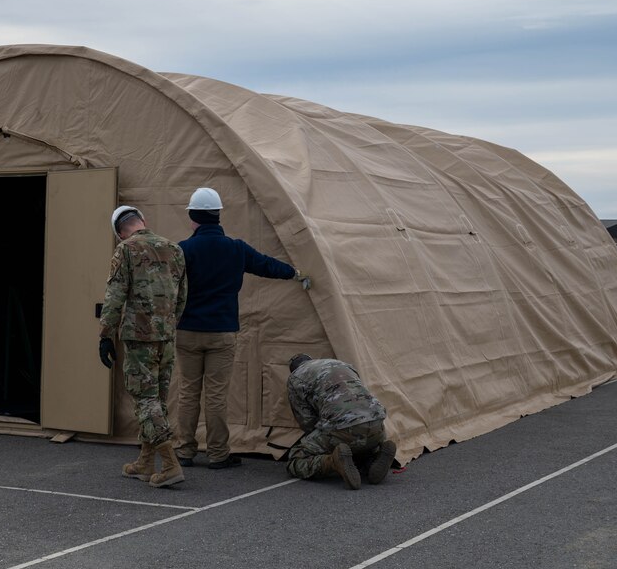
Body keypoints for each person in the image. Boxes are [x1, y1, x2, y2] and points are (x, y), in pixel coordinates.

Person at [174, 187, 311, 469]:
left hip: (187, 331)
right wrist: (295, 273)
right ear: (218, 215)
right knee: (216, 396)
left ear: (192, 217)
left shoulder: (182, 250)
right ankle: (217, 454)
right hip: (221, 333)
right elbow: (266, 265)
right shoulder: (235, 249)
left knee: (188, 392)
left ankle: (184, 451)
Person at [98, 206, 188, 488]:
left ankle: (170, 464)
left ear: (119, 233)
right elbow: (182, 297)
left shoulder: (125, 250)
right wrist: (167, 326)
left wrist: (106, 335)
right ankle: (146, 461)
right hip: (166, 337)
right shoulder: (174, 249)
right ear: (143, 221)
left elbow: (114, 296)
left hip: (139, 339)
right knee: (157, 399)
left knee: (145, 399)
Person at [284, 354, 397, 489]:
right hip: (377, 423)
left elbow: (306, 419)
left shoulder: (295, 377)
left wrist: (319, 440)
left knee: (296, 458)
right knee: (358, 444)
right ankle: (373, 458)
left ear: (294, 369)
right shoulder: (343, 365)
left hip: (342, 427)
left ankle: (333, 461)